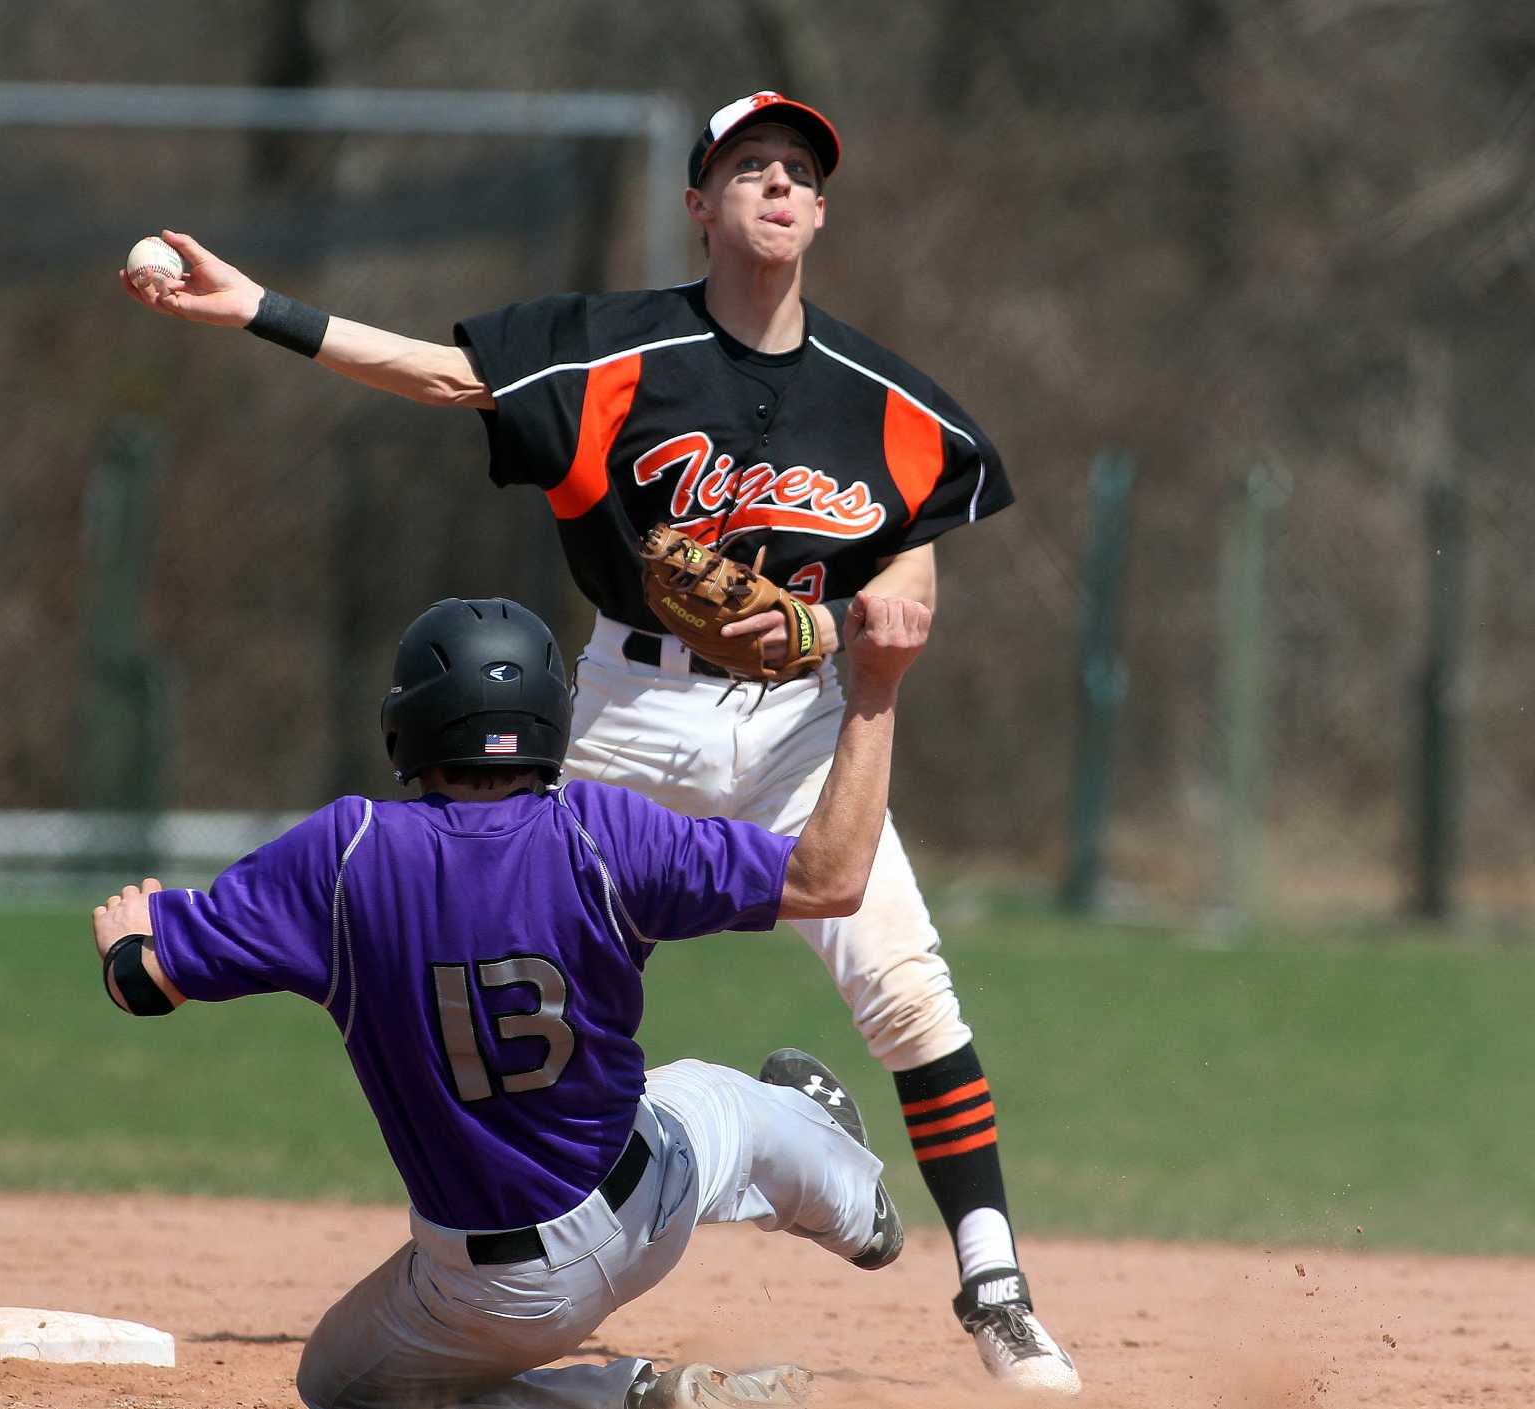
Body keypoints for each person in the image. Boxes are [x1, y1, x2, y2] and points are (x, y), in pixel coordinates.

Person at [121, 90, 1079, 1396]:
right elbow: (449, 375)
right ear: (701, 202)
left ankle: (997, 1286)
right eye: (752, 167)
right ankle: (524, 1238)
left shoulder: (881, 397)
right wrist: (262, 312)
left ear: (823, 210)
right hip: (635, 708)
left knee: (906, 989)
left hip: (803, 725)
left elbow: (929, 508)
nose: (781, 185)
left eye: (801, 170)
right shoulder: (614, 353)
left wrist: (871, 615)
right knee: (504, 927)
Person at [91, 592, 931, 1409]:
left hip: (489, 1295)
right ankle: (858, 1204)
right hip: (643, 1202)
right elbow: (831, 878)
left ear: (406, 725)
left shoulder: (343, 857)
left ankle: (625, 1394)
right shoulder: (603, 830)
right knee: (725, 1106)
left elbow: (143, 983)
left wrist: (127, 938)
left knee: (339, 1386)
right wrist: (876, 688)